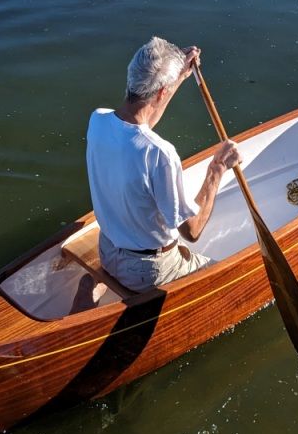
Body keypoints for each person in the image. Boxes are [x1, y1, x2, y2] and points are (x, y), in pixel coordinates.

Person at [86, 36, 242, 292]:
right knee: (228, 278)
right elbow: (191, 232)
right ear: (161, 92)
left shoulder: (98, 120)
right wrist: (217, 168)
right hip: (147, 271)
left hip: (108, 250)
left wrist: (179, 76)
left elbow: (140, 126)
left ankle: (89, 288)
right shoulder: (160, 153)